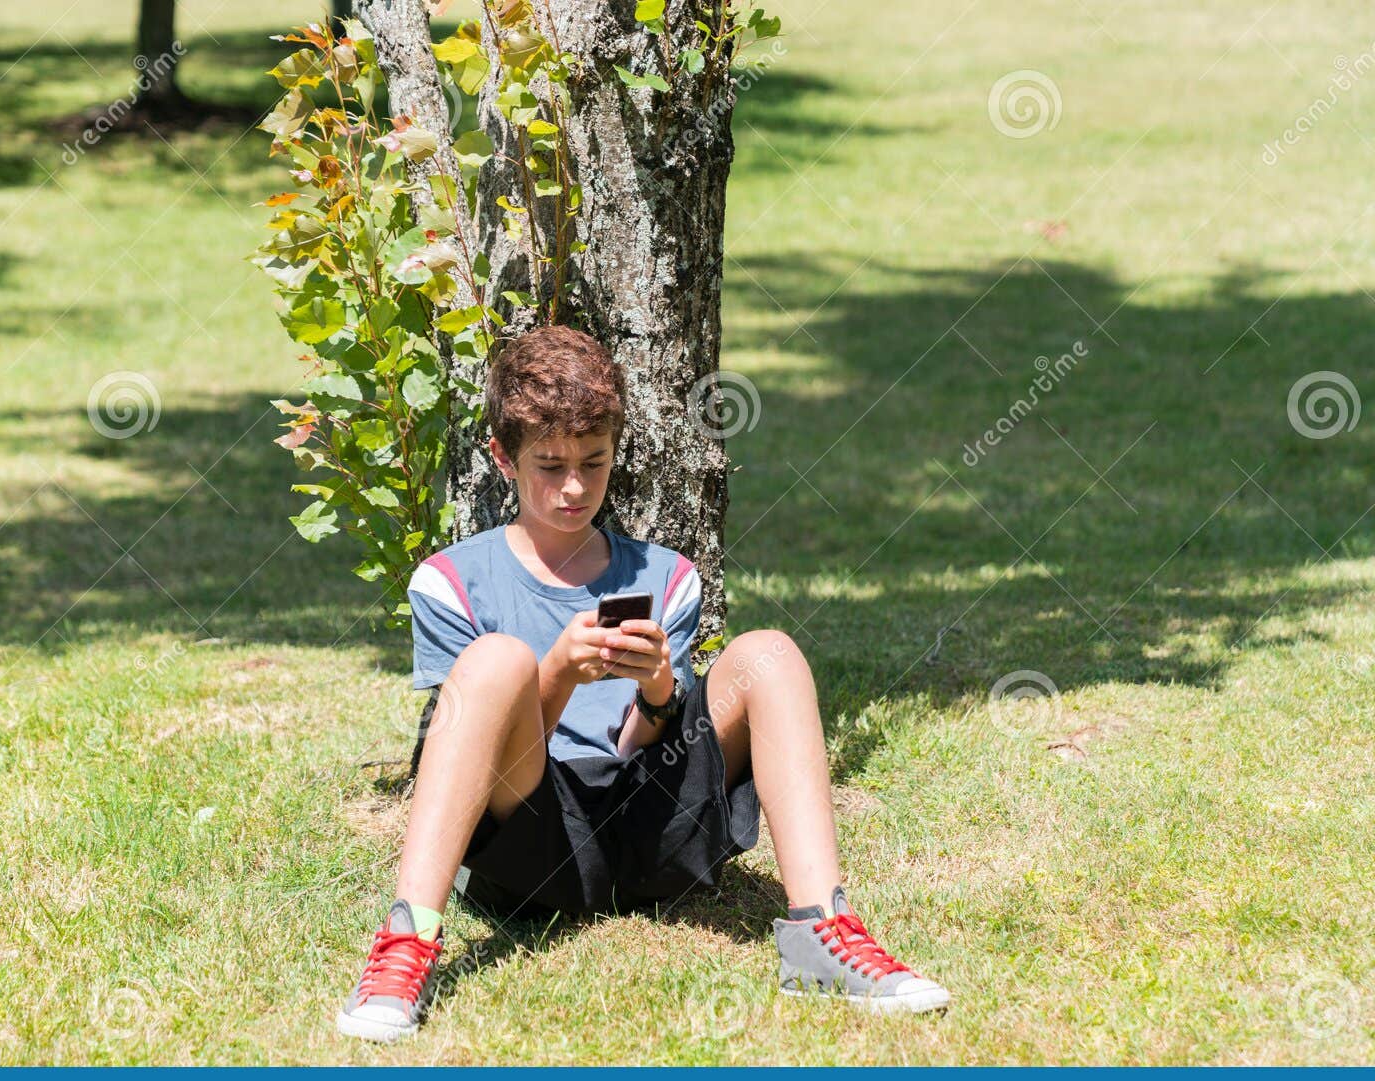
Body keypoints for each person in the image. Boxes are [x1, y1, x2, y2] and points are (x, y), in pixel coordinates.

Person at [336, 326, 950, 1042]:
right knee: (498, 660)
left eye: (593, 462)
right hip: (531, 841)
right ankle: (409, 940)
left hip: (648, 831)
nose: (573, 487)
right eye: (550, 464)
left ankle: (823, 928)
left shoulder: (666, 576)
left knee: (769, 653)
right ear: (502, 458)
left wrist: (660, 689)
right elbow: (485, 756)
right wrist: (560, 670)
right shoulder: (449, 582)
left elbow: (643, 749)